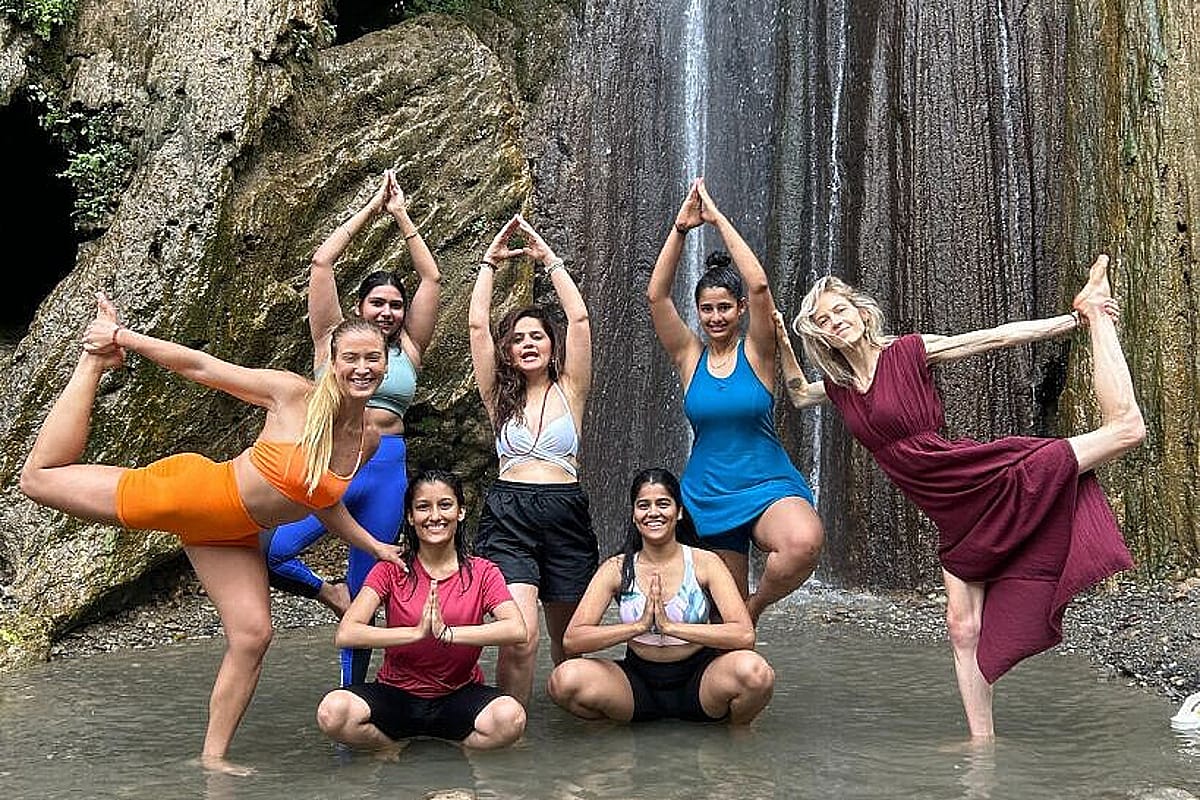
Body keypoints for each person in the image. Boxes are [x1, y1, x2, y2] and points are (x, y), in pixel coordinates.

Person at [19, 293, 403, 774]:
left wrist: (373, 546)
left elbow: (322, 500)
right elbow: (202, 367)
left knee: (253, 636)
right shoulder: (292, 394)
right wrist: (119, 337)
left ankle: (212, 759)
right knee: (38, 479)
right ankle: (94, 362)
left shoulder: (368, 438)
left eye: (373, 359)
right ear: (333, 361)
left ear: (386, 364)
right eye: (351, 358)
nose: (362, 368)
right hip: (196, 497)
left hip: (233, 535)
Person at [778, 254, 1143, 737]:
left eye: (840, 310)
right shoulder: (839, 387)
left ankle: (1096, 313)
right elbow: (798, 393)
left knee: (1126, 431)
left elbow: (995, 337)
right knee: (962, 627)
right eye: (823, 321)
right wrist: (779, 335)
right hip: (950, 511)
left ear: (862, 313)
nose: (834, 322)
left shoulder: (909, 351)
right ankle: (980, 743)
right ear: (819, 335)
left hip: (979, 479)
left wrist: (1073, 321)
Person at [260, 168, 441, 686]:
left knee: (368, 592)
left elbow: (432, 279)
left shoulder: (408, 349)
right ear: (360, 307)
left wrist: (401, 215)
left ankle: (354, 693)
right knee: (271, 551)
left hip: (386, 469)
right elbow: (322, 262)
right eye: (377, 303)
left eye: (395, 305)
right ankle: (328, 593)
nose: (387, 312)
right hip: (331, 460)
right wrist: (369, 209)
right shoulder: (331, 341)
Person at [647, 177, 824, 623]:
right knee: (724, 625)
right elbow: (656, 296)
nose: (715, 317)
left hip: (767, 484)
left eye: (724, 307)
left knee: (802, 543)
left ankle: (755, 606)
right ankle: (737, 639)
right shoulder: (690, 357)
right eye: (706, 309)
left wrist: (717, 219)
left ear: (740, 309)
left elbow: (760, 286)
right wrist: (680, 229)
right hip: (708, 494)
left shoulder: (758, 353)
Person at [468, 214, 598, 706]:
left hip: (565, 513)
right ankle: (511, 729)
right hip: (510, 515)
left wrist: (550, 259)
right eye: (518, 338)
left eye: (536, 336)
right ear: (508, 350)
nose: (527, 344)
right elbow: (477, 327)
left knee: (572, 644)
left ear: (551, 344)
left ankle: (579, 726)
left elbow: (580, 321)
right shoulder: (497, 396)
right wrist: (488, 264)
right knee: (520, 637)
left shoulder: (572, 389)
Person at [315, 469, 527, 752]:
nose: (435, 516)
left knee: (511, 718)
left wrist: (448, 634)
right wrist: (415, 634)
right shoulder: (391, 569)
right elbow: (347, 633)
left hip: (458, 695)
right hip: (397, 694)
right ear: (410, 517)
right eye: (423, 507)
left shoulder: (482, 572)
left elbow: (516, 629)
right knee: (332, 712)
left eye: (445, 505)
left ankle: (459, 753)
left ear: (461, 512)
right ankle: (390, 748)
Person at [547, 468, 774, 724]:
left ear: (679, 512)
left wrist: (671, 627)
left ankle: (736, 736)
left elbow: (743, 634)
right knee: (563, 680)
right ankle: (610, 732)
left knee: (756, 672)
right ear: (634, 515)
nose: (653, 512)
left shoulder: (705, 562)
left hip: (701, 681)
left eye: (663, 504)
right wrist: (638, 627)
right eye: (644, 505)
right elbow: (572, 640)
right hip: (635, 685)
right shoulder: (616, 568)